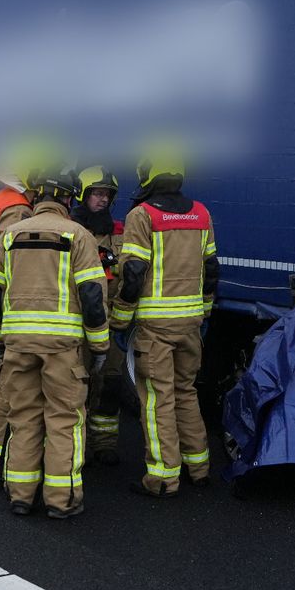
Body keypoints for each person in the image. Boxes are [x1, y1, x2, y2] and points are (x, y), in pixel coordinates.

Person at [0, 165, 109, 518]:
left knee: (23, 418)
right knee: (64, 421)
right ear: (68, 198)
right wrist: (99, 347)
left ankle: (20, 495)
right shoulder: (79, 235)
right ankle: (61, 501)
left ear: (37, 196)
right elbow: (92, 297)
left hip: (18, 344)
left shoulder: (9, 236)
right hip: (62, 347)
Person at [110, 157, 219, 496]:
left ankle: (162, 478)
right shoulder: (201, 213)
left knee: (158, 400)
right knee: (187, 393)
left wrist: (121, 318)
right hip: (190, 323)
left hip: (156, 326)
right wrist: (203, 313)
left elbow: (132, 274)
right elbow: (211, 269)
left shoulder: (142, 215)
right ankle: (198, 467)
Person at [0, 168, 38, 484]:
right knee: (18, 399)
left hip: (1, 308)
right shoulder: (17, 207)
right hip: (15, 309)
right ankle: (11, 469)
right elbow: (19, 262)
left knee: (6, 396)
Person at [71, 166, 125, 465]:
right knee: (76, 386)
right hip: (76, 323)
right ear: (83, 195)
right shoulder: (69, 230)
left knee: (110, 384)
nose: (102, 200)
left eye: (107, 195)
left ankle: (104, 443)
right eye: (97, 194)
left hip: (111, 321)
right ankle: (74, 447)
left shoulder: (119, 232)